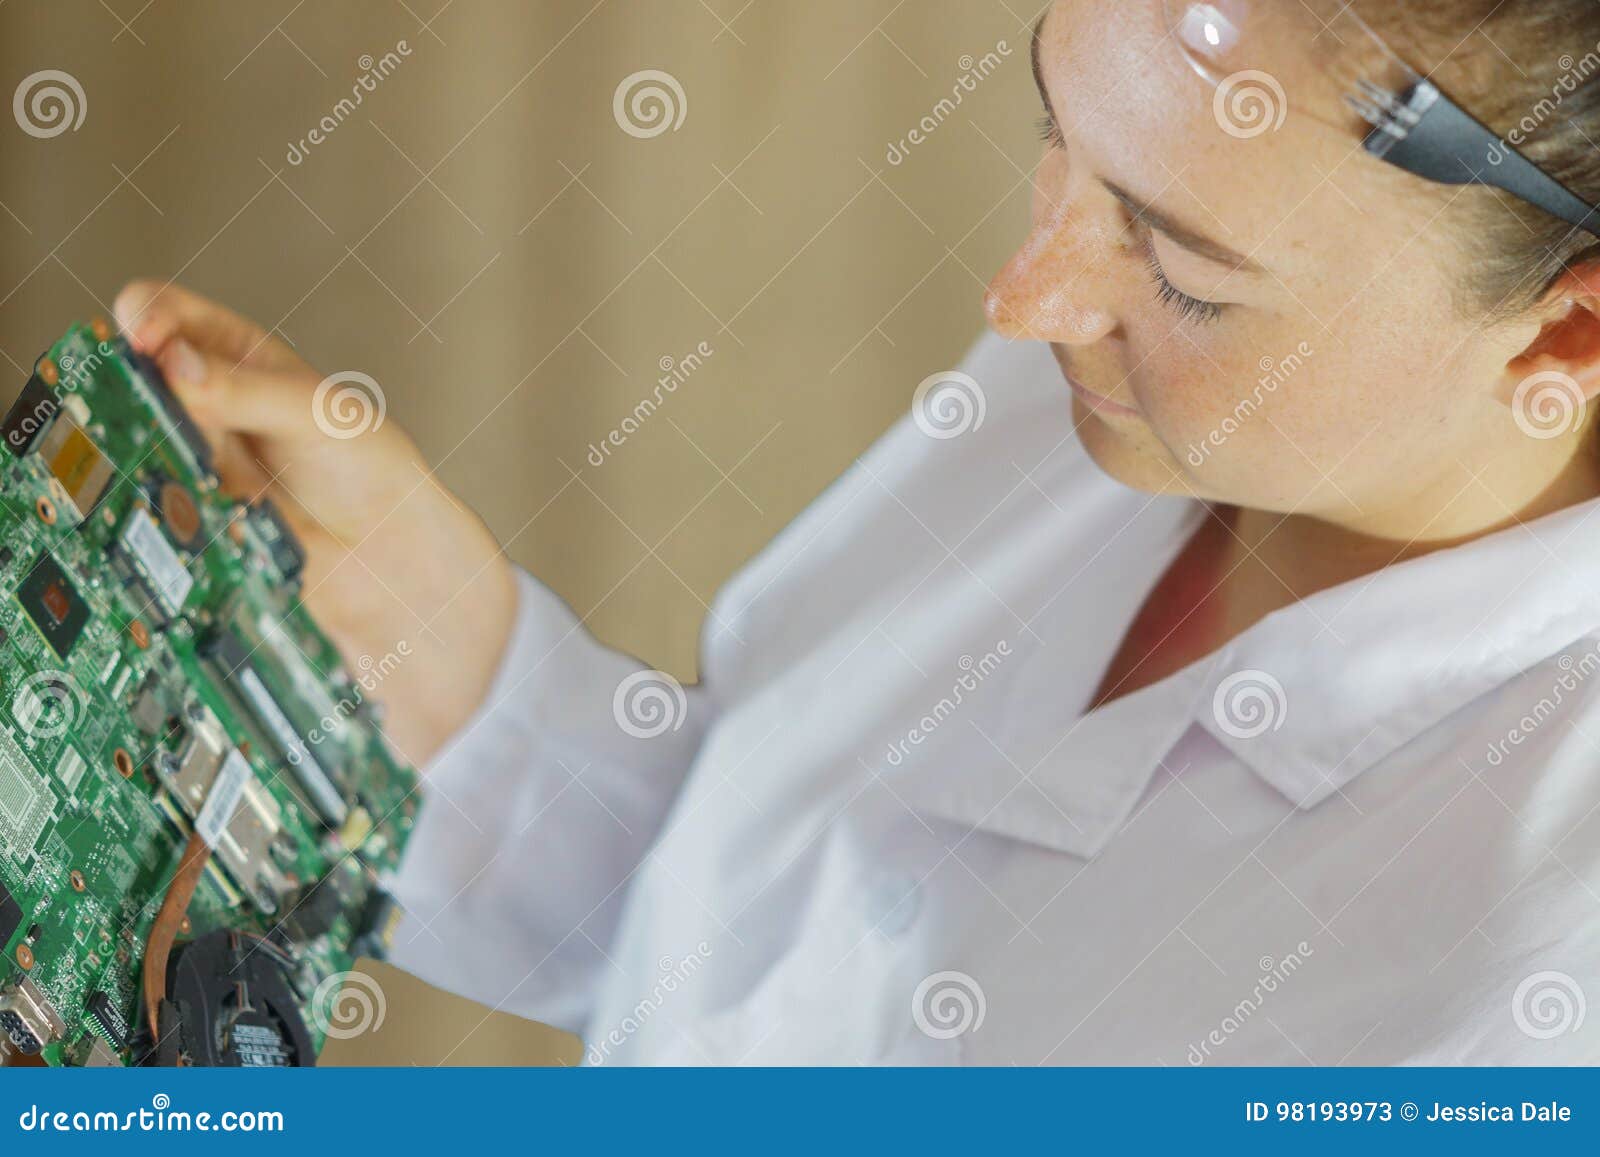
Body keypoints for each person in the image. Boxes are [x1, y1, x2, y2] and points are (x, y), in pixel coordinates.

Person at [111, 0, 1600, 1064]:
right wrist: (459, 673)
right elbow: (766, 946)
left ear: (1566, 336)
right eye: (1058, 137)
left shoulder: (1538, 991)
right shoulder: (1096, 396)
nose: (1023, 299)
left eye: (1185, 269)